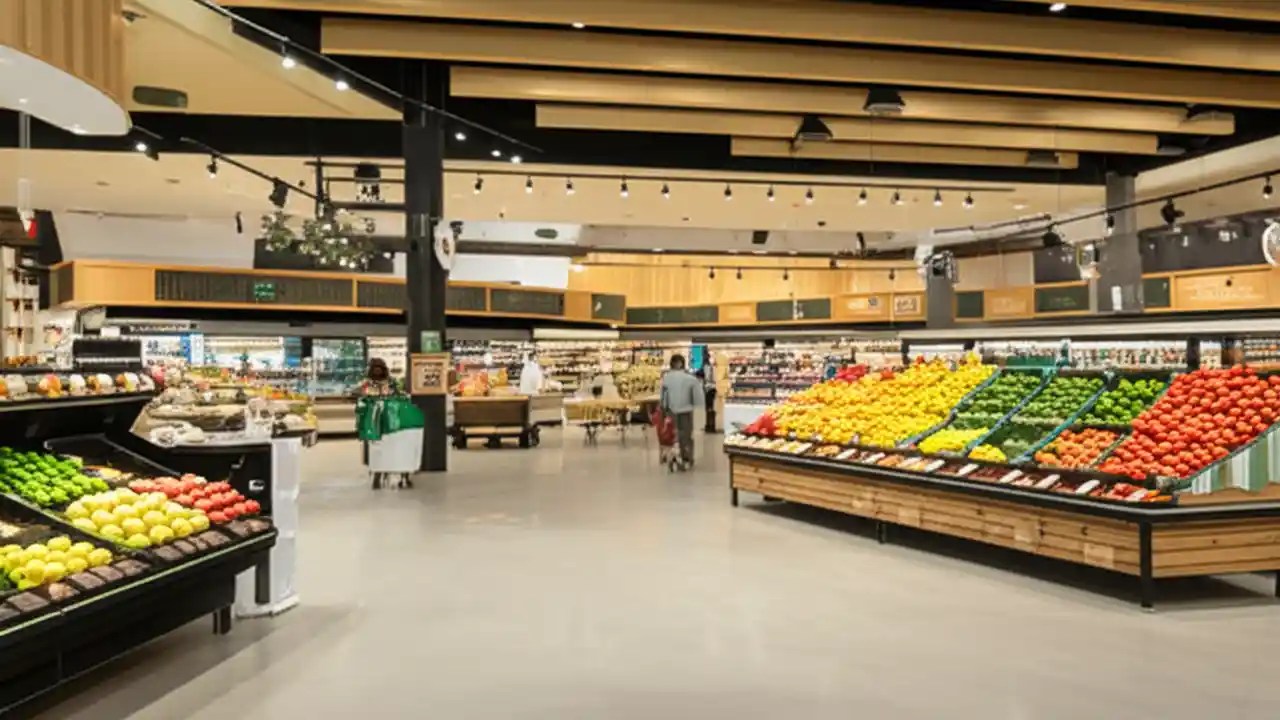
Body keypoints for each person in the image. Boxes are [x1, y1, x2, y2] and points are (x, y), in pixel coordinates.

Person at [660, 354, 704, 468]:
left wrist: (663, 408)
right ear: (682, 364)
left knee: (672, 434)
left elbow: (663, 395)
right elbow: (698, 397)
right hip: (686, 410)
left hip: (671, 410)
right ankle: (687, 457)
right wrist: (697, 405)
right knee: (686, 435)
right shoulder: (690, 378)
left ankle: (673, 456)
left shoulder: (666, 378)